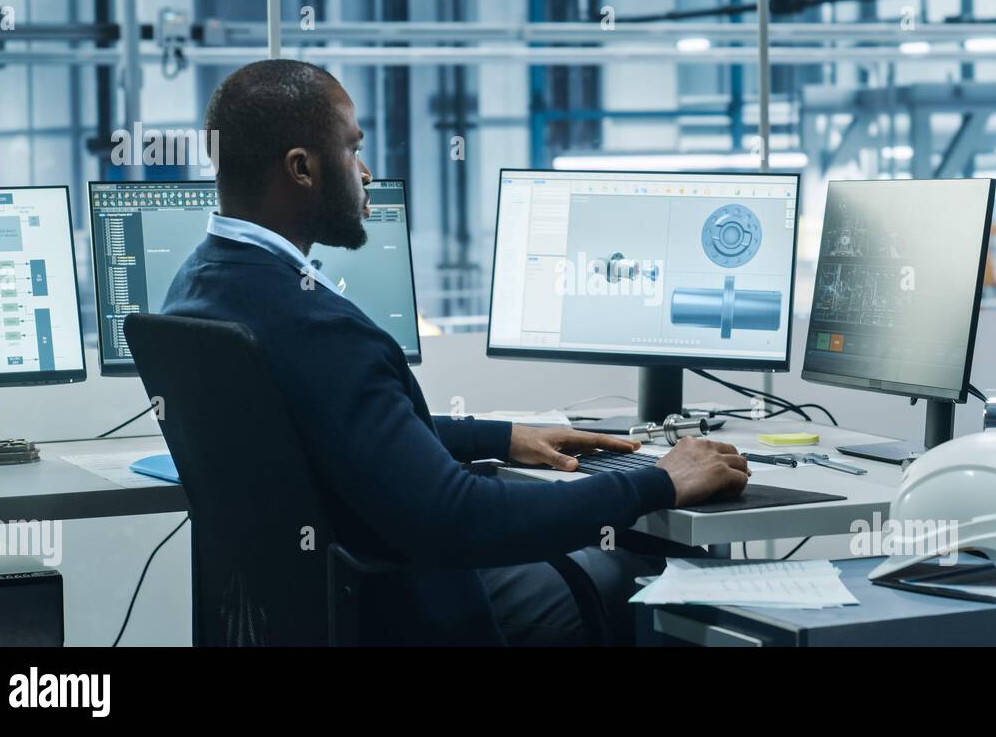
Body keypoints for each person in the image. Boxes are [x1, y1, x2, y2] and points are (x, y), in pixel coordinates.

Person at [163, 59, 749, 645]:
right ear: (302, 169)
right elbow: (458, 518)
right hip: (414, 610)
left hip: (326, 610)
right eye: (351, 150)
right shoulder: (323, 329)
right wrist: (658, 483)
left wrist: (499, 438)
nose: (365, 172)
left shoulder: (198, 287)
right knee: (661, 575)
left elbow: (330, 434)